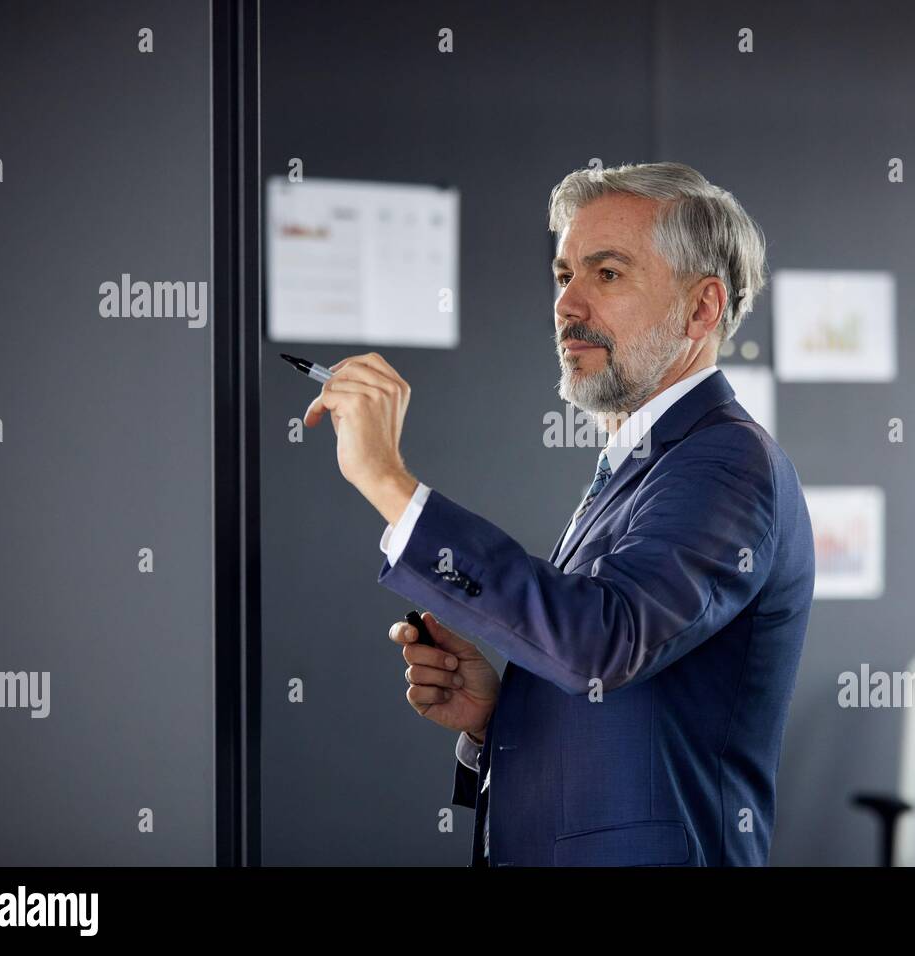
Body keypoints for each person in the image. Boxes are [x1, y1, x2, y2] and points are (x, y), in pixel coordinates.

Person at [304, 161, 815, 866]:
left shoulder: (725, 462)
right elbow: (611, 669)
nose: (567, 303)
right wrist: (503, 714)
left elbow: (603, 640)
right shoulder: (641, 464)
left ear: (702, 310)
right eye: (563, 274)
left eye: (606, 274)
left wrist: (386, 479)